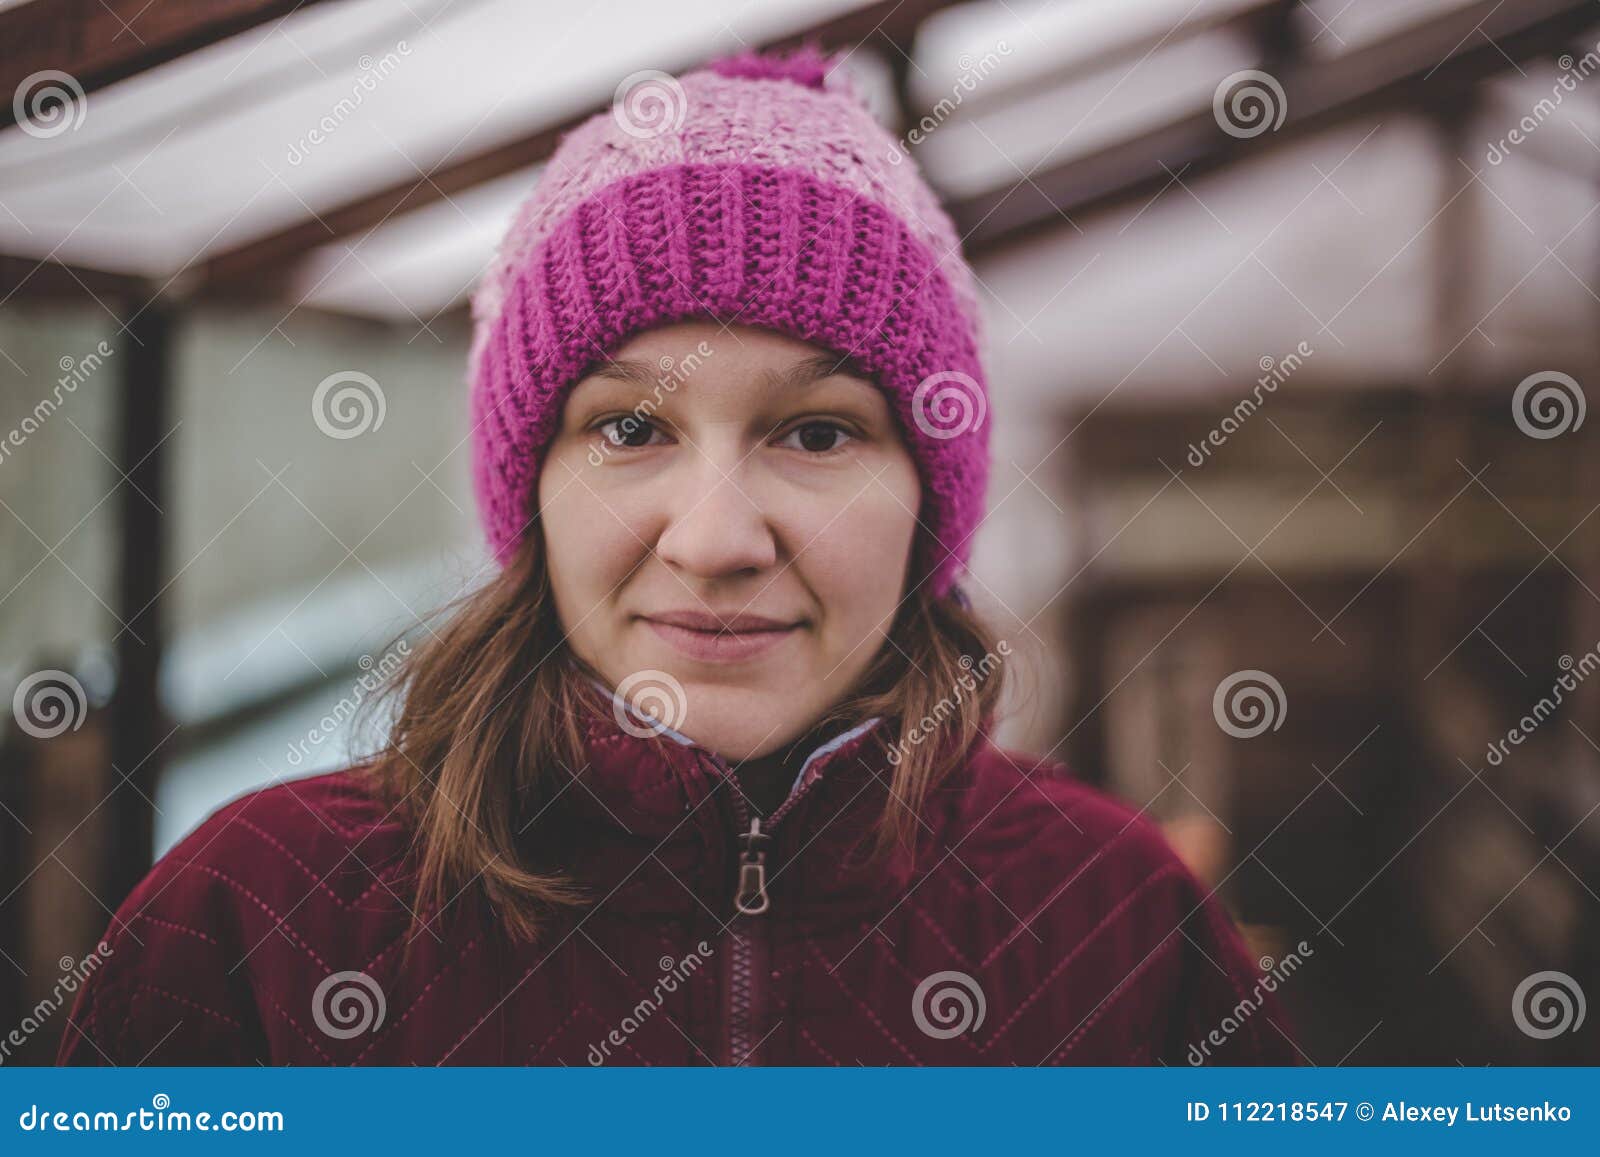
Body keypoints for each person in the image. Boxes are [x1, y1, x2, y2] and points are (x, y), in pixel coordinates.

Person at [58, 48, 1295, 1066]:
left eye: (817, 431)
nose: (713, 541)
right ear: (528, 486)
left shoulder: (1117, 919)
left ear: (931, 493)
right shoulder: (257, 913)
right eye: (630, 427)